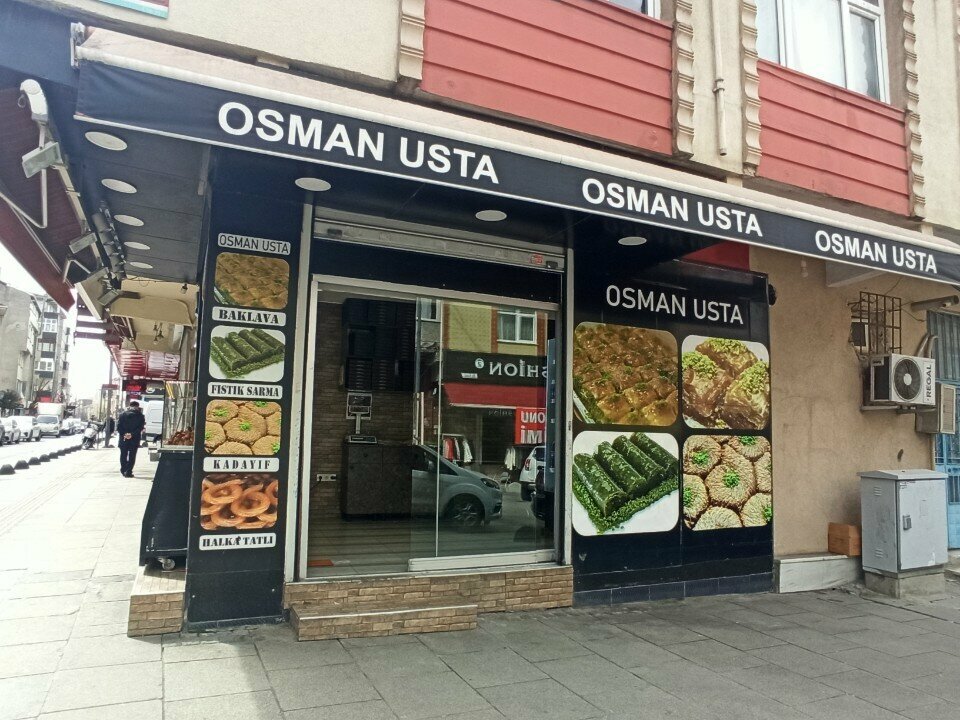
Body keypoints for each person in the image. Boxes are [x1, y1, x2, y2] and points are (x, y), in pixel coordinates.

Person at [117, 401, 146, 477]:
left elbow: (119, 427)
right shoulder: (140, 416)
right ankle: (129, 471)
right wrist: (131, 434)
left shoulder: (122, 415)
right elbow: (140, 427)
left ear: (129, 406)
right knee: (132, 456)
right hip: (135, 439)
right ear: (137, 407)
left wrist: (125, 434)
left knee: (123, 454)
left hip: (123, 438)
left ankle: (123, 470)